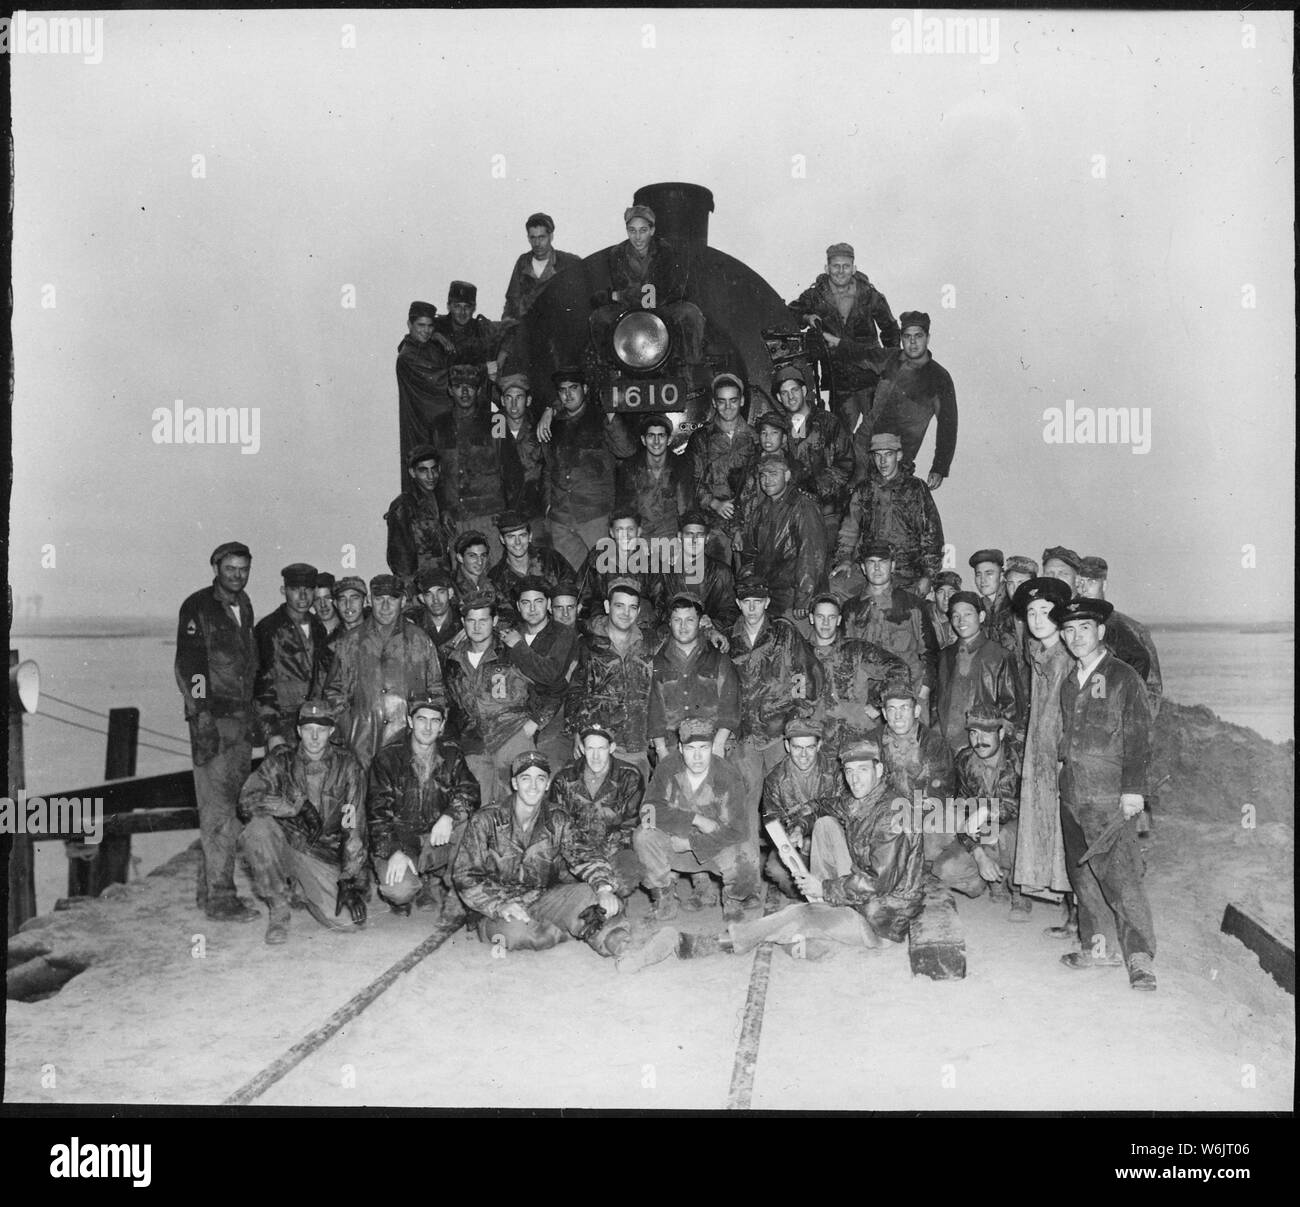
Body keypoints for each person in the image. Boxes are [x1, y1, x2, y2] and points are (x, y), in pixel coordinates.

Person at [452, 751, 678, 972]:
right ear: (514, 783)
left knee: (592, 899)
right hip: (501, 906)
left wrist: (603, 887)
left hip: (545, 896)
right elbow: (465, 875)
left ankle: (625, 948)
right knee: (514, 934)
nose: (533, 786)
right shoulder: (486, 819)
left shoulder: (557, 818)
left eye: (540, 779)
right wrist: (499, 905)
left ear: (548, 784)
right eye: (525, 778)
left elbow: (583, 854)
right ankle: (569, 930)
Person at [708, 736, 924, 960]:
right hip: (861, 895)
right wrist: (800, 827)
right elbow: (820, 806)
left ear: (878, 770)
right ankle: (822, 921)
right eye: (849, 771)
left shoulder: (893, 814)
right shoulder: (862, 800)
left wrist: (824, 888)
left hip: (883, 917)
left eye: (862, 770)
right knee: (825, 823)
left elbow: (877, 883)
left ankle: (730, 940)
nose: (855, 779)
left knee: (801, 914)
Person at [1056, 597, 1156, 991]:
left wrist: (1133, 792)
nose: (1076, 636)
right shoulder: (1070, 681)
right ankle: (1099, 949)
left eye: (1084, 628)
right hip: (1073, 796)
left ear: (1100, 632)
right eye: (1068, 629)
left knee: (1122, 880)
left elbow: (1139, 739)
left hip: (1108, 798)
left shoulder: (1123, 677)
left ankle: (1140, 957)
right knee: (1083, 878)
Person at [175, 541, 262, 922]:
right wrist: (202, 716)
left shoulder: (244, 606)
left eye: (243, 569)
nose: (237, 575)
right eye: (230, 569)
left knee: (232, 808)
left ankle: (209, 891)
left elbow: (249, 665)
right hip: (213, 722)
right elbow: (190, 667)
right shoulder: (198, 606)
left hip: (241, 723)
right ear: (215, 567)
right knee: (217, 811)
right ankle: (221, 898)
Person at [237, 701, 368, 944]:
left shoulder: (348, 765)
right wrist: (295, 806)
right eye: (308, 729)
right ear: (298, 731)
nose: (315, 736)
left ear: (331, 731)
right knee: (257, 830)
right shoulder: (281, 761)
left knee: (347, 922)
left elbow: (354, 825)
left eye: (322, 729)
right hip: (287, 843)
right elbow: (246, 800)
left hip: (321, 854)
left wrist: (349, 878)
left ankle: (301, 887)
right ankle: (278, 909)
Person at [729, 578, 825, 859]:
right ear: (738, 604)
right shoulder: (729, 639)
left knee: (787, 803)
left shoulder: (784, 633)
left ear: (767, 603)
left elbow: (803, 672)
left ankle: (790, 870)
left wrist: (794, 717)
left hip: (778, 733)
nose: (752, 608)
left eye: (758, 602)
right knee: (744, 806)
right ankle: (748, 873)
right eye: (746, 602)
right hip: (745, 735)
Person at [633, 718, 761, 921]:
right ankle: (664, 895)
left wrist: (691, 843)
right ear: (681, 749)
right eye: (691, 748)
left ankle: (733, 899)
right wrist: (695, 819)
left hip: (715, 850)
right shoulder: (667, 767)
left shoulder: (728, 775)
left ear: (712, 747)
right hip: (675, 845)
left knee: (747, 853)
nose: (698, 756)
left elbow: (739, 830)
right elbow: (647, 811)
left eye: (704, 748)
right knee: (643, 835)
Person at [366, 694, 480, 917]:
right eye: (421, 719)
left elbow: (471, 791)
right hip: (402, 841)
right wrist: (394, 851)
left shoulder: (451, 754)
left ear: (442, 725)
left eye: (435, 721)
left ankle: (454, 892)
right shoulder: (387, 758)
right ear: (410, 722)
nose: (427, 727)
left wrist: (449, 816)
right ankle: (418, 883)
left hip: (436, 840)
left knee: (469, 822)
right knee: (399, 891)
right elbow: (377, 816)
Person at [322, 574, 445, 772]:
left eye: (392, 599)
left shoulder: (419, 640)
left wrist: (426, 732)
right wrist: (349, 728)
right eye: (379, 599)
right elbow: (333, 692)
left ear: (403, 601)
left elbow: (436, 689)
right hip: (362, 745)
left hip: (407, 742)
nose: (386, 606)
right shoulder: (351, 641)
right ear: (370, 600)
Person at [787, 243, 900, 458]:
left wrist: (889, 366)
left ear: (854, 268)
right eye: (836, 266)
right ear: (826, 267)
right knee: (842, 441)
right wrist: (807, 317)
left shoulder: (869, 295)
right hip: (840, 383)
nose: (840, 271)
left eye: (846, 266)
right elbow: (789, 313)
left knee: (879, 436)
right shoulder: (816, 296)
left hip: (870, 379)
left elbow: (890, 328)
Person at [1009, 577, 1076, 933]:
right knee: (1051, 829)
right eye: (1031, 611)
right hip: (1040, 753)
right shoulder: (1037, 653)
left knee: (1068, 832)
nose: (1036, 619)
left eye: (1045, 611)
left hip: (1061, 756)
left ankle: (1079, 917)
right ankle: (1070, 912)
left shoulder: (1067, 656)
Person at [442, 590, 541, 803]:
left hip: (513, 735)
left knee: (528, 802)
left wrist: (535, 721)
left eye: (483, 620)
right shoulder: (453, 660)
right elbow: (451, 705)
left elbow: (549, 685)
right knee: (478, 807)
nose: (477, 627)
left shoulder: (512, 650)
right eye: (471, 621)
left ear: (494, 620)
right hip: (475, 743)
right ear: (463, 622)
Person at [932, 708, 1028, 917]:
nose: (979, 740)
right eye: (974, 733)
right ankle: (991, 880)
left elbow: (1027, 805)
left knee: (1007, 834)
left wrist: (988, 810)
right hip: (984, 831)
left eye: (986, 733)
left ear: (1001, 734)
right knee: (944, 869)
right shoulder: (965, 760)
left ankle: (1021, 891)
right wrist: (978, 854)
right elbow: (961, 807)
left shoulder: (1021, 758)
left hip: (1018, 829)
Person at [541, 366, 638, 569]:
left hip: (595, 516)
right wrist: (548, 503)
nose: (568, 395)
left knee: (603, 573)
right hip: (562, 518)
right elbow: (549, 468)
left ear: (585, 389)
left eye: (573, 388)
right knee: (569, 579)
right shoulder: (554, 424)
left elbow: (626, 450)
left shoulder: (600, 418)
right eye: (562, 390)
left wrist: (611, 415)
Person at [565, 579, 660, 784]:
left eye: (632, 607)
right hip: (598, 743)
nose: (626, 613)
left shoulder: (649, 643)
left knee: (634, 806)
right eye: (619, 605)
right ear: (608, 607)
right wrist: (577, 734)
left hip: (636, 742)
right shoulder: (587, 643)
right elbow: (575, 691)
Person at [589, 203, 705, 369]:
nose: (637, 237)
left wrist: (623, 295)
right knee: (598, 318)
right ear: (627, 230)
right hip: (628, 309)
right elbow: (606, 292)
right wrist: (626, 296)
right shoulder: (617, 254)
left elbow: (672, 289)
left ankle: (692, 366)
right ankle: (608, 368)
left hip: (661, 306)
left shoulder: (666, 251)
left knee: (690, 313)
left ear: (652, 230)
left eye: (643, 230)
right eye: (632, 230)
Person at [831, 431, 944, 598]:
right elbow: (849, 529)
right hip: (870, 568)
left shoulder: (916, 489)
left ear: (899, 455)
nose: (882, 462)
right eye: (878, 455)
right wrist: (844, 559)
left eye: (888, 455)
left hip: (906, 572)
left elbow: (932, 536)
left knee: (898, 612)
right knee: (835, 587)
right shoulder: (864, 489)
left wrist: (928, 575)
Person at [840, 544, 939, 722]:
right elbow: (846, 658)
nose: (877, 568)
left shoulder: (912, 605)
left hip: (907, 697)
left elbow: (930, 652)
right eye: (871, 563)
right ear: (863, 568)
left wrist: (924, 690)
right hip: (866, 704)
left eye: (883, 562)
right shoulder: (851, 609)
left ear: (892, 566)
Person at [549, 722, 645, 898]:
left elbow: (631, 824)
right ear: (582, 749)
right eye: (590, 748)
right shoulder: (564, 778)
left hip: (615, 849)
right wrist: (588, 858)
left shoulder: (629, 775)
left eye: (601, 748)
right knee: (568, 886)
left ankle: (615, 899)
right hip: (576, 853)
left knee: (625, 878)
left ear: (612, 748)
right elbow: (559, 828)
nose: (595, 756)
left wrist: (603, 856)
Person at [865, 310, 958, 490]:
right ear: (901, 338)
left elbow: (948, 425)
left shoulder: (939, 378)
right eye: (907, 336)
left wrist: (939, 467)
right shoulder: (891, 359)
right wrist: (833, 341)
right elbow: (857, 353)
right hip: (865, 449)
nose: (913, 342)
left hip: (898, 461)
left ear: (928, 338)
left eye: (918, 336)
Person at [647, 591, 741, 763]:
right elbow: (654, 712)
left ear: (701, 621)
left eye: (690, 619)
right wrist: (662, 753)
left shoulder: (718, 657)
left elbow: (730, 708)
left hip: (712, 746)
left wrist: (718, 747)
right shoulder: (657, 661)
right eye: (677, 620)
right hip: (672, 749)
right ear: (669, 622)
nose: (683, 626)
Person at [806, 592, 908, 750]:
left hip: (856, 736)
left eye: (831, 617)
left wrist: (879, 705)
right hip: (816, 740)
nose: (826, 623)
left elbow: (897, 667)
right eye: (820, 617)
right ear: (812, 618)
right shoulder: (801, 653)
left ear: (839, 620)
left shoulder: (856, 649)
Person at [497, 577, 580, 771]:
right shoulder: (509, 633)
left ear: (549, 604)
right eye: (526, 603)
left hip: (552, 715)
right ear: (518, 606)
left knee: (545, 770)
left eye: (538, 602)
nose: (532, 609)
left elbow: (551, 675)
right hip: (513, 716)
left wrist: (518, 646)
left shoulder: (563, 634)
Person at [771, 363, 857, 549]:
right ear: (779, 397)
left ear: (804, 390)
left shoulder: (829, 423)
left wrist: (816, 486)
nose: (790, 396)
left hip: (827, 512)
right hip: (791, 512)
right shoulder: (776, 429)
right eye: (784, 393)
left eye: (794, 390)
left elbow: (846, 464)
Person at [759, 715, 843, 899]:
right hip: (795, 840)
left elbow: (841, 811)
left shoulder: (836, 771)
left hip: (830, 838)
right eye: (797, 747)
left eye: (810, 747)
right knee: (775, 869)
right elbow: (772, 818)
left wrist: (812, 838)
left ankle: (833, 895)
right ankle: (803, 898)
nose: (803, 755)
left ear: (819, 745)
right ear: (787, 746)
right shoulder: (775, 779)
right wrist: (790, 834)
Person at [432, 364, 508, 566]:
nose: (464, 392)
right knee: (462, 579)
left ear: (479, 390)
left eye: (471, 387)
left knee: (495, 574)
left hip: (490, 516)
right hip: (456, 519)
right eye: (458, 386)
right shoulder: (438, 426)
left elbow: (511, 469)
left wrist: (507, 514)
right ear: (450, 390)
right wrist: (443, 510)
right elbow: (435, 475)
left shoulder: (496, 422)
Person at [737, 452, 827, 619]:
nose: (767, 480)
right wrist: (750, 585)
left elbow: (811, 554)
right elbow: (750, 554)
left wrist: (804, 598)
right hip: (769, 594)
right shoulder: (761, 510)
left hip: (793, 594)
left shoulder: (802, 506)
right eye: (763, 475)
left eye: (773, 474)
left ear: (787, 475)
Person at [254, 562, 332, 752]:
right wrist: (272, 733)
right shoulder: (269, 628)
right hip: (283, 725)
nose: (303, 596)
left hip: (313, 723)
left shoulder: (318, 627)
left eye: (308, 589)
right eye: (296, 589)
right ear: (284, 590)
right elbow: (261, 684)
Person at [934, 590, 1023, 755]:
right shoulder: (945, 655)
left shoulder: (1000, 655)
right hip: (946, 747)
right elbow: (938, 702)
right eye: (955, 616)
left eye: (967, 614)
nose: (961, 621)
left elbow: (1011, 711)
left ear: (981, 616)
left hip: (981, 747)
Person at [878, 679, 954, 866]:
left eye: (904, 708)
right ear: (884, 714)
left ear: (917, 711)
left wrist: (909, 818)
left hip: (926, 814)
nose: (898, 716)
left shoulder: (934, 743)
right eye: (892, 709)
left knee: (937, 844)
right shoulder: (872, 742)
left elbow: (939, 792)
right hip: (888, 813)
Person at [1076, 555, 1163, 717]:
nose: (1085, 588)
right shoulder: (1079, 622)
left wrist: (1117, 708)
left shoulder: (1115, 623)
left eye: (1092, 582)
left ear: (1105, 584)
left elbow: (1141, 662)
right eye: (1081, 582)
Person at [687, 373, 761, 563]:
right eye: (722, 401)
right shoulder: (701, 438)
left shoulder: (756, 439)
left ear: (742, 401)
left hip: (748, 524)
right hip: (713, 525)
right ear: (714, 403)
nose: (728, 407)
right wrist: (713, 503)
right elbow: (691, 479)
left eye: (733, 401)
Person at [498, 212, 582, 374]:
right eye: (532, 238)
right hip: (528, 337)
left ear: (551, 236)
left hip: (560, 339)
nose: (537, 243)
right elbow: (512, 306)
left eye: (542, 237)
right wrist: (505, 347)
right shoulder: (523, 264)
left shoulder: (569, 263)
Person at [656, 509, 739, 633]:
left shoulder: (721, 572)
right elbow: (657, 608)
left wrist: (713, 623)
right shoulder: (665, 571)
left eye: (699, 535)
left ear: (707, 538)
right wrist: (675, 619)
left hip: (709, 637)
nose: (694, 540)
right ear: (680, 537)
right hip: (673, 635)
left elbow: (731, 611)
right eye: (689, 534)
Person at [574, 508, 661, 624]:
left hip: (637, 616)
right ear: (611, 532)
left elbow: (660, 599)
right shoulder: (598, 556)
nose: (625, 535)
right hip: (604, 614)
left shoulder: (650, 560)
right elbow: (583, 591)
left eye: (630, 529)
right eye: (619, 529)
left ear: (639, 531)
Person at [395, 299, 450, 484]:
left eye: (430, 326)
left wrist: (438, 335)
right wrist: (482, 371)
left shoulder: (427, 346)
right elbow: (441, 381)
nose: (426, 331)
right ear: (409, 325)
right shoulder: (407, 357)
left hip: (431, 427)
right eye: (421, 325)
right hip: (421, 429)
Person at [615, 413, 692, 540]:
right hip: (639, 536)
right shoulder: (630, 467)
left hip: (671, 537)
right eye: (651, 436)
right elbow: (624, 510)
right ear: (643, 440)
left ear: (669, 439)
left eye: (661, 436)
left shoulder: (681, 466)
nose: (656, 442)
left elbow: (686, 508)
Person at [487, 509, 576, 617]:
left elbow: (572, 592)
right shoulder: (496, 577)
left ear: (530, 536)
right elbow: (503, 616)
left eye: (522, 535)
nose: (518, 542)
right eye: (511, 537)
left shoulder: (550, 559)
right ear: (502, 539)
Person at [496, 373, 548, 538]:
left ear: (528, 400)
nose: (513, 404)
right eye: (509, 398)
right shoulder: (493, 430)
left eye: (519, 398)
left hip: (535, 514)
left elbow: (550, 471)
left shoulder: (540, 429)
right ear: (502, 400)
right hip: (502, 514)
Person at [431, 280, 499, 381]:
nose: (462, 312)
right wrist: (434, 335)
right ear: (448, 306)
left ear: (474, 308)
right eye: (457, 306)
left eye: (467, 307)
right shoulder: (434, 327)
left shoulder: (482, 330)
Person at [403, 565, 461, 657]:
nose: (435, 600)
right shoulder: (412, 622)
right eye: (429, 594)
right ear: (422, 598)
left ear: (450, 593)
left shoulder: (464, 620)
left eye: (441, 592)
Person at [451, 530, 496, 606]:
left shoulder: (492, 582)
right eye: (473, 556)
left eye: (483, 555)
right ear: (460, 558)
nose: (480, 562)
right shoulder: (452, 587)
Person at [927, 569, 962, 649]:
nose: (946, 597)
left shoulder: (964, 620)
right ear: (933, 595)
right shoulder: (922, 619)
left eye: (951, 591)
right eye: (941, 591)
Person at [313, 572, 342, 646]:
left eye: (327, 598)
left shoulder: (348, 627)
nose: (323, 604)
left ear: (335, 599)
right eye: (317, 599)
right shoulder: (307, 632)